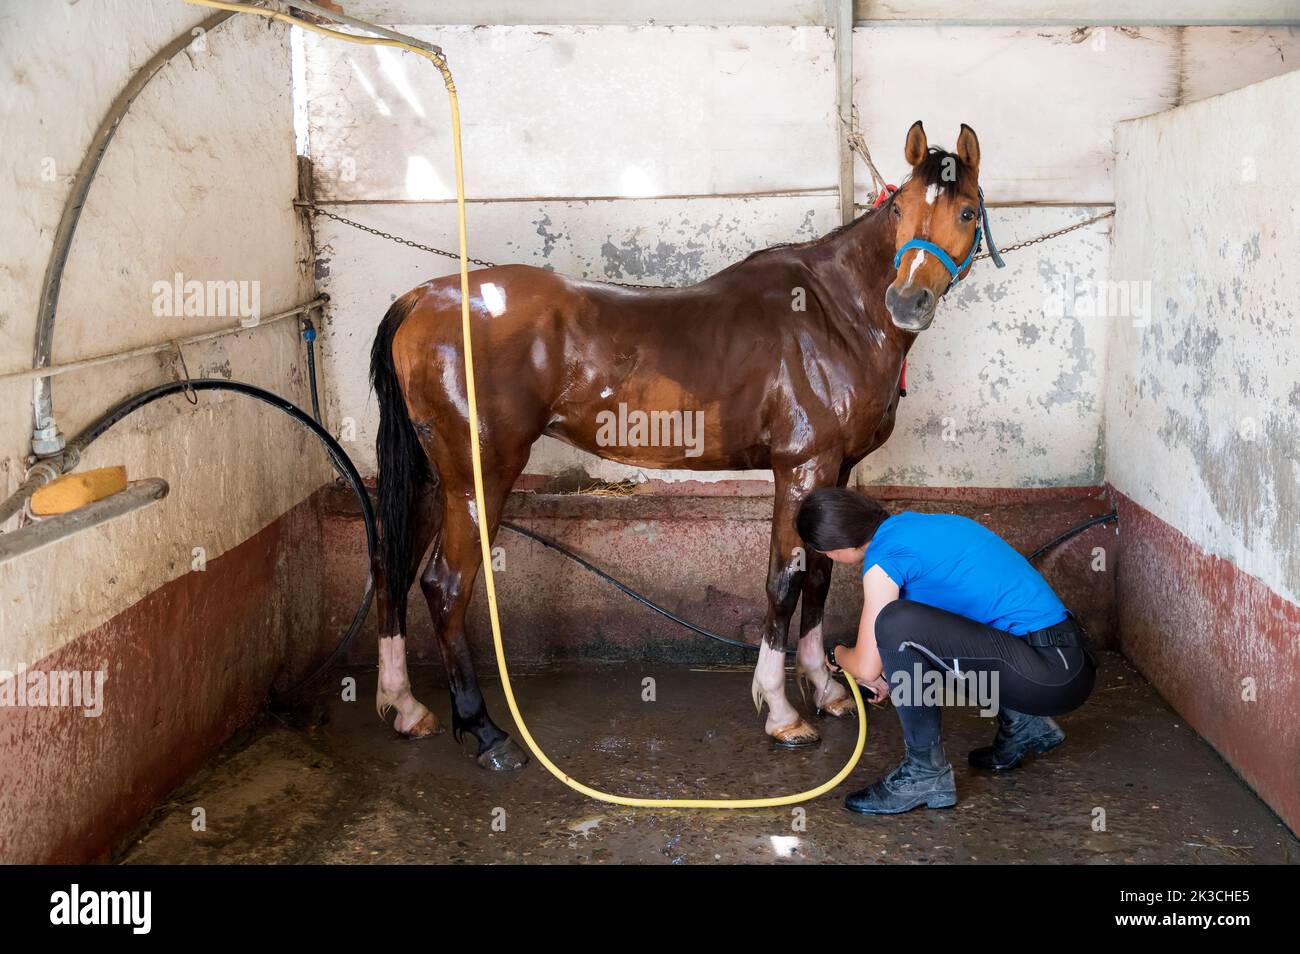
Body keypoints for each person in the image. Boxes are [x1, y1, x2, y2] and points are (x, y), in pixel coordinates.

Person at [795, 488, 1097, 815]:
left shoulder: (884, 561)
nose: (827, 557)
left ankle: (925, 773)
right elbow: (926, 646)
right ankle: (1023, 722)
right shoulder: (914, 528)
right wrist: (893, 672)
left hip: (1053, 672)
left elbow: (867, 666)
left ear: (836, 545)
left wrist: (837, 654)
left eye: (823, 551)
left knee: (894, 622)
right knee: (906, 632)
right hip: (1066, 658)